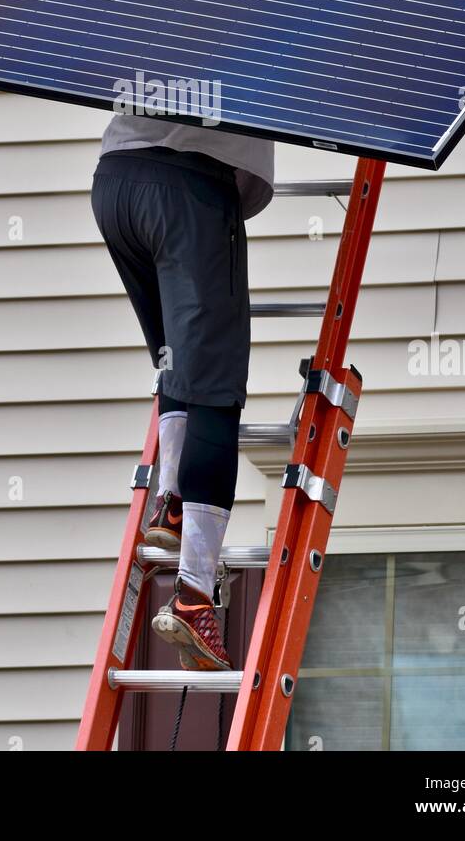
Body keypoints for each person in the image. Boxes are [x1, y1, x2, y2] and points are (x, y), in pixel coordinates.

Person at [90, 107, 274, 671]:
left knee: (178, 362)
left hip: (116, 182)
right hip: (190, 185)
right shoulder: (266, 16)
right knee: (216, 390)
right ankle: (194, 597)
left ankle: (171, 505)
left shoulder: (157, 12)